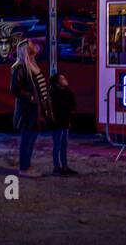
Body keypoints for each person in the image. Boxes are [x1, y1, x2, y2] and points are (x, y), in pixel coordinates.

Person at [10, 39, 53, 176]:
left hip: (36, 110)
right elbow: (15, 89)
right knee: (27, 139)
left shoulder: (32, 65)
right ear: (26, 51)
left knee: (31, 138)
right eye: (31, 46)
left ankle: (26, 166)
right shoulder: (20, 68)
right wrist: (31, 97)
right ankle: (24, 168)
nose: (35, 46)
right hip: (28, 110)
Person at [49, 72, 78, 175]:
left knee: (64, 145)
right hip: (57, 123)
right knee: (57, 145)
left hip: (65, 122)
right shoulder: (53, 93)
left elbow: (73, 105)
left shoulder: (67, 91)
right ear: (57, 82)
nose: (65, 79)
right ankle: (56, 168)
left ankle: (65, 167)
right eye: (62, 78)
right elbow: (55, 108)